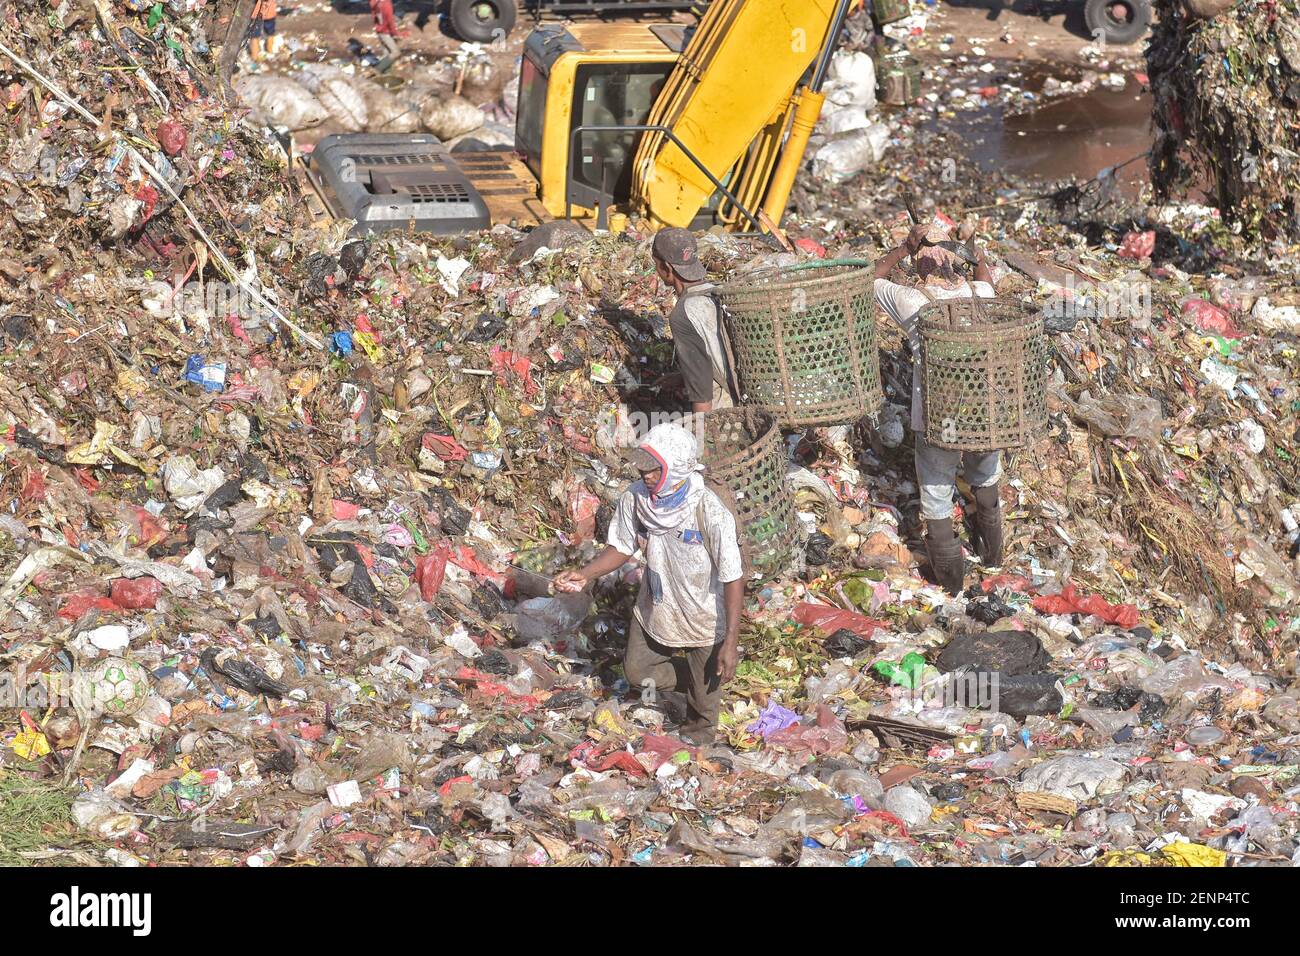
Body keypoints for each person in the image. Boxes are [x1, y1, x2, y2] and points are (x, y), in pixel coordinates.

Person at [553, 422, 744, 746]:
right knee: (638, 671)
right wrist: (585, 574)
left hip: (703, 616)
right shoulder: (637, 499)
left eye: (654, 470)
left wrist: (730, 641)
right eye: (643, 468)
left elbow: (732, 576)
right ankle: (692, 677)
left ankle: (698, 728)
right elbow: (622, 547)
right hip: (658, 604)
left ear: (677, 469)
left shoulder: (709, 510)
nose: (646, 476)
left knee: (702, 716)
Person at [873, 216, 1003, 595]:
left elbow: (865, 282)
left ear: (919, 264)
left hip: (938, 414)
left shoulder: (913, 300)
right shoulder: (982, 296)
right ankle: (993, 562)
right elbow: (984, 275)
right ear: (954, 259)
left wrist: (902, 249)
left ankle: (953, 589)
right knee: (985, 477)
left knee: (936, 495)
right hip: (984, 410)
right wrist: (973, 250)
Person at [652, 227, 739, 413]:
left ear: (667, 268)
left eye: (656, 265)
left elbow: (703, 398)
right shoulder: (717, 292)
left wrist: (700, 437)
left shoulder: (683, 315)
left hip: (730, 408)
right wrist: (683, 377)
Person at [370, 0, 403, 73]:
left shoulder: (375, 2)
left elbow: (374, 15)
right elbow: (390, 21)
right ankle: (376, 70)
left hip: (379, 30)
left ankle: (386, 77)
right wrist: (395, 33)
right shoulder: (386, 4)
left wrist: (378, 26)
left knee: (387, 55)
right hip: (385, 32)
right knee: (396, 53)